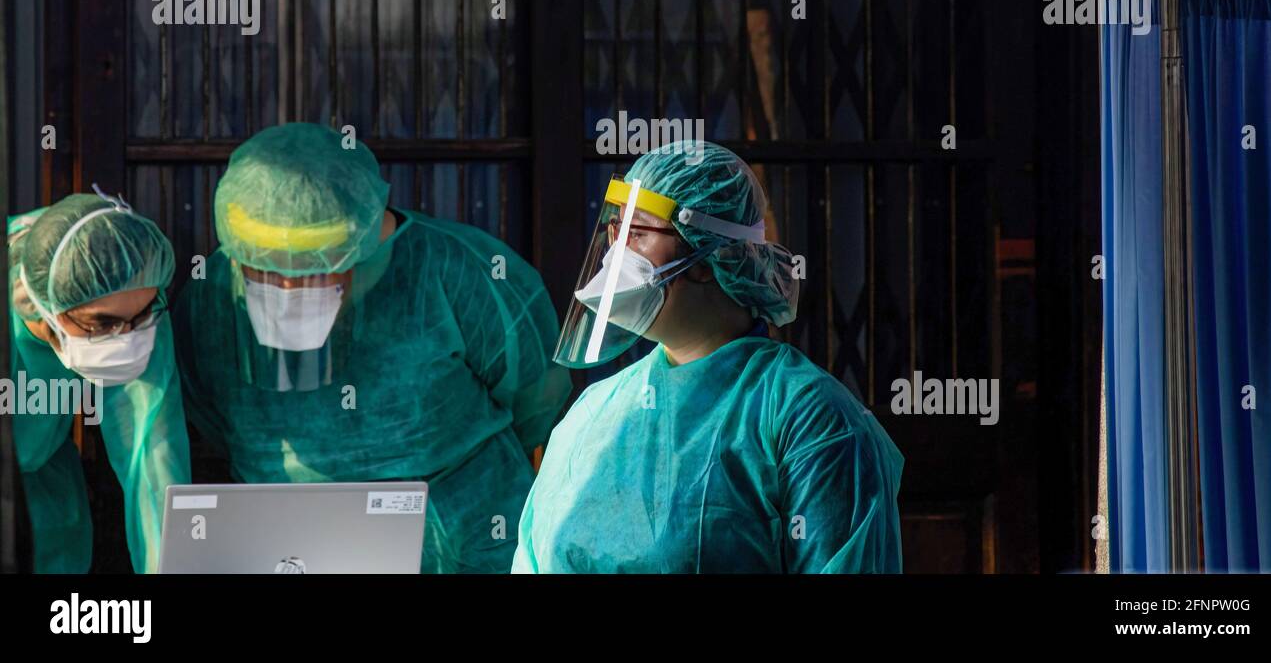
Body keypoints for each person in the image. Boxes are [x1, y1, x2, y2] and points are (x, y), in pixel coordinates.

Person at [172, 122, 571, 573]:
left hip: (460, 538)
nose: (286, 287)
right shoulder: (213, 295)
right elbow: (203, 403)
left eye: (310, 269)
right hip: (289, 543)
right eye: (263, 272)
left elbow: (535, 396)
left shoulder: (452, 270)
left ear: (357, 242)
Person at [514, 141, 904, 573]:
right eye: (615, 233)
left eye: (637, 234)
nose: (615, 257)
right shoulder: (593, 414)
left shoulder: (809, 417)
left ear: (706, 253)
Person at [8, 188, 190, 573]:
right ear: (40, 307)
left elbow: (153, 459)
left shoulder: (134, 298)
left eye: (140, 317)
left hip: (47, 499)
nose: (127, 336)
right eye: (102, 325)